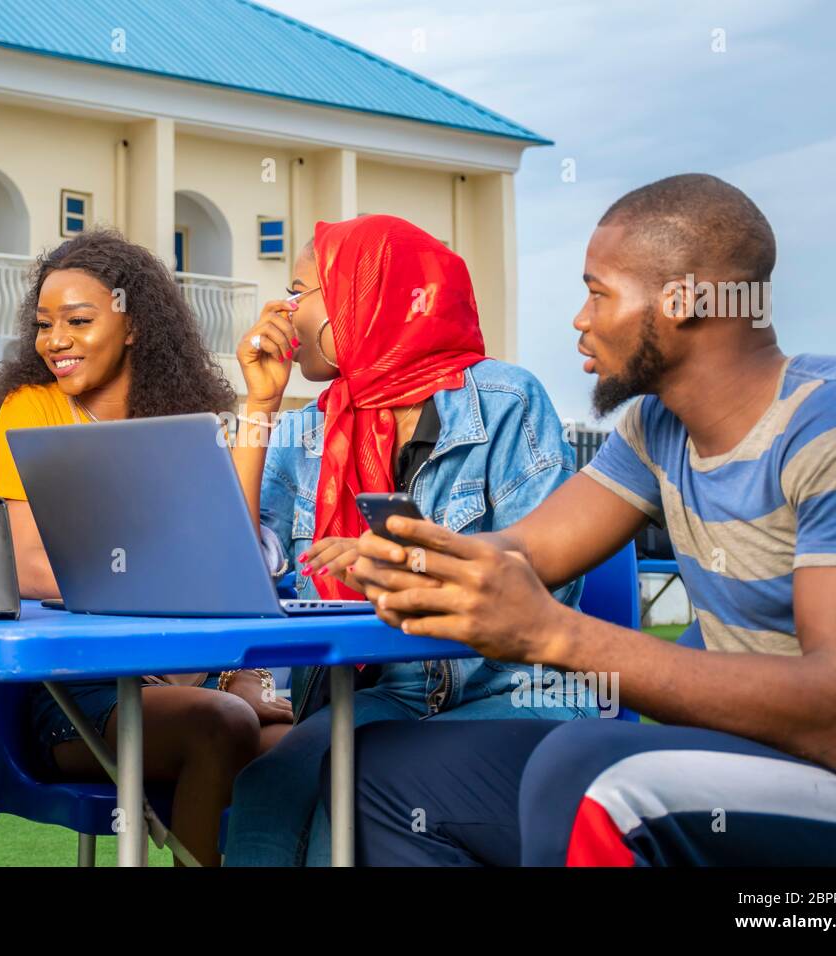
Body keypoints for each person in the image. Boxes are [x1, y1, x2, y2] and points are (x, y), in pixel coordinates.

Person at [344, 174, 836, 866]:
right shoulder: (657, 426)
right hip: (741, 755)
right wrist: (414, 554)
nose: (580, 320)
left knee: (589, 769)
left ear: (682, 302)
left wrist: (553, 633)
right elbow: (527, 547)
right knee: (382, 770)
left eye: (598, 292)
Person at [223, 214, 595, 867]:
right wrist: (258, 407)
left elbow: (547, 581)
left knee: (349, 797)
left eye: (299, 288)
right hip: (378, 695)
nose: (282, 308)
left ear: (364, 296)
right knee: (268, 789)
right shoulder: (309, 428)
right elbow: (234, 570)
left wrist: (403, 569)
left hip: (509, 691)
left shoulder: (507, 402)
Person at [0, 228, 290, 866]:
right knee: (224, 724)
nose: (56, 341)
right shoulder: (32, 408)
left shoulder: (186, 412)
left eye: (78, 320)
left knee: (304, 748)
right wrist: (180, 582)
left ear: (133, 325)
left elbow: (230, 552)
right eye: (45, 324)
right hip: (84, 688)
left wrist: (261, 403)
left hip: (195, 669)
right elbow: (34, 566)